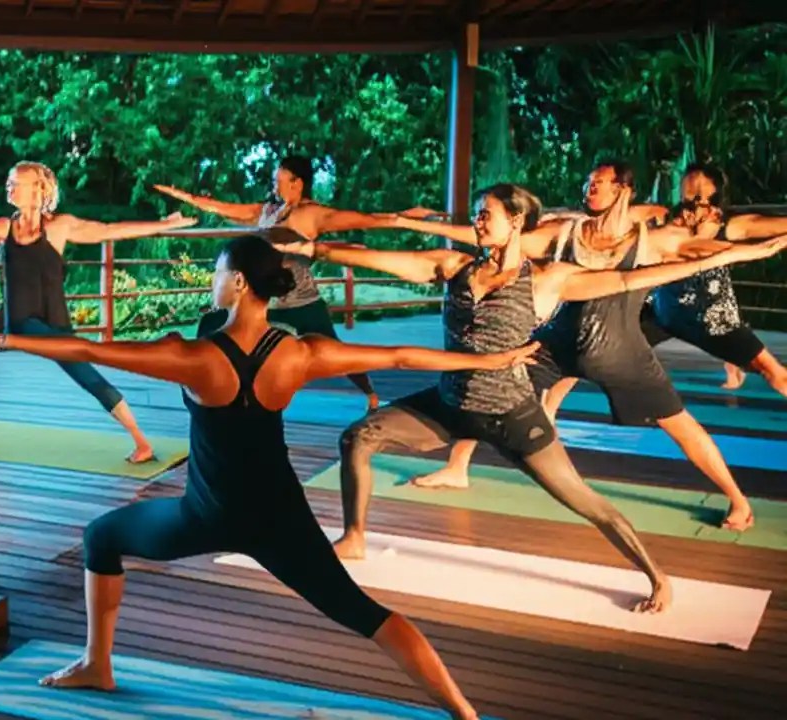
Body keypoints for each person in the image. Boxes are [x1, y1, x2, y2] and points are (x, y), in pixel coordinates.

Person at [0, 235, 547, 720]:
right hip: (281, 520)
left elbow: (90, 351)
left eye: (217, 272)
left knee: (102, 538)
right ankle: (463, 714)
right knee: (365, 613)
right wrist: (488, 360)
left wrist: (4, 338)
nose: (213, 281)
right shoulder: (300, 354)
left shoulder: (193, 357)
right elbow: (399, 356)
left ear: (237, 283)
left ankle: (97, 665)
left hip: (204, 515)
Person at [308, 183, 785, 612]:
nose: (477, 221)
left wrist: (738, 257)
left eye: (485, 213)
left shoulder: (548, 278)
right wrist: (316, 247)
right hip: (450, 405)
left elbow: (631, 280)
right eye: (476, 213)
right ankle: (354, 537)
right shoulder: (452, 266)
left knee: (588, 503)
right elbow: (372, 258)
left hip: (513, 417)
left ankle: (657, 577)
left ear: (515, 221)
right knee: (358, 438)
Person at [383, 162, 760, 531]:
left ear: (623, 190)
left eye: (598, 183)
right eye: (587, 182)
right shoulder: (564, 233)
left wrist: (764, 245)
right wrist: (408, 222)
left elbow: (720, 247)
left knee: (680, 425)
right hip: (558, 344)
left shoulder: (652, 239)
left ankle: (739, 500)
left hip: (621, 352)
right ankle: (457, 467)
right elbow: (490, 234)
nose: (588, 188)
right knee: (487, 378)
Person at [0, 161, 196, 463]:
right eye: (9, 183)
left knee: (89, 379)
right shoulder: (3, 228)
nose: (9, 188)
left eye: (16, 183)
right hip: (9, 323)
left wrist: (162, 225)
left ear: (40, 189)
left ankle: (142, 441)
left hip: (49, 327)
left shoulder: (60, 228)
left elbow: (110, 230)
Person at [154, 155, 387, 410]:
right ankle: (204, 391)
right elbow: (220, 207)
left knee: (335, 351)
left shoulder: (312, 214)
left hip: (301, 301)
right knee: (213, 324)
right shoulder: (267, 211)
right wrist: (186, 197)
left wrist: (400, 219)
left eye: (280, 180)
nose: (275, 185)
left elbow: (364, 219)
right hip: (263, 298)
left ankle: (370, 393)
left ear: (297, 183)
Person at [639, 162, 787, 398]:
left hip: (713, 319)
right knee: (593, 350)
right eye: (687, 180)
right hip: (664, 312)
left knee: (774, 373)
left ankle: (734, 361)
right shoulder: (666, 219)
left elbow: (772, 227)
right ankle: (554, 414)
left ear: (713, 193)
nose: (690, 186)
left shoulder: (728, 225)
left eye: (698, 183)